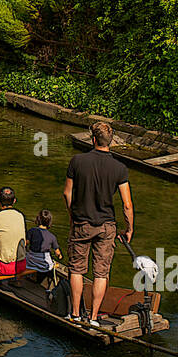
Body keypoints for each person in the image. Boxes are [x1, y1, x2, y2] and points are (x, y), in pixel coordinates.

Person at [64, 121, 133, 327]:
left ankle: (75, 315)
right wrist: (129, 229)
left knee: (77, 269)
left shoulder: (77, 161)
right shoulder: (119, 168)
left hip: (82, 222)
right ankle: (94, 318)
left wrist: (72, 216)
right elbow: (127, 204)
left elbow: (67, 193)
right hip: (107, 226)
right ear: (110, 142)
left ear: (93, 140)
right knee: (101, 272)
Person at [25, 209, 63, 287]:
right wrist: (59, 256)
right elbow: (57, 252)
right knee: (53, 262)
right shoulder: (52, 236)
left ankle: (32, 276)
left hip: (31, 262)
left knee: (26, 255)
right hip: (44, 265)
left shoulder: (32, 231)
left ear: (37, 220)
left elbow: (25, 243)